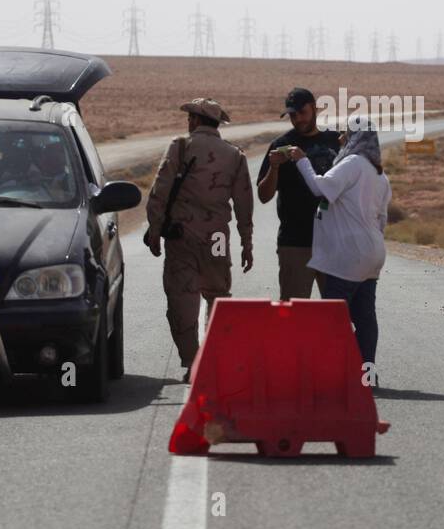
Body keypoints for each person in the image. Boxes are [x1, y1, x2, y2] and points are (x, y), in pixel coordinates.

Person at [144, 98, 254, 382]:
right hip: (217, 238)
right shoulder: (234, 155)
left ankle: (193, 362)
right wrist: (247, 242)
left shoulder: (180, 146)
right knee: (218, 297)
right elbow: (244, 202)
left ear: (194, 120)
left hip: (183, 237)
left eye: (190, 118)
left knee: (182, 299)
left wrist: (155, 229)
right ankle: (214, 359)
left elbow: (160, 190)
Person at [289, 115, 391, 376]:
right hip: (372, 253)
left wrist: (301, 160)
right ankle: (366, 371)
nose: (340, 138)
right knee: (365, 316)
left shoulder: (353, 164)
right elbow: (382, 220)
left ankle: (333, 373)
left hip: (348, 255)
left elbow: (320, 187)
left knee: (333, 317)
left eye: (345, 134)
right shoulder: (380, 175)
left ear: (355, 137)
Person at [256, 87, 342, 299]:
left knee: (337, 316)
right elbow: (263, 196)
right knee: (292, 317)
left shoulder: (336, 141)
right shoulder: (280, 145)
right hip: (294, 243)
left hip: (334, 242)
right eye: (293, 115)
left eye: (302, 112)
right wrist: (274, 168)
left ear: (314, 109)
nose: (298, 119)